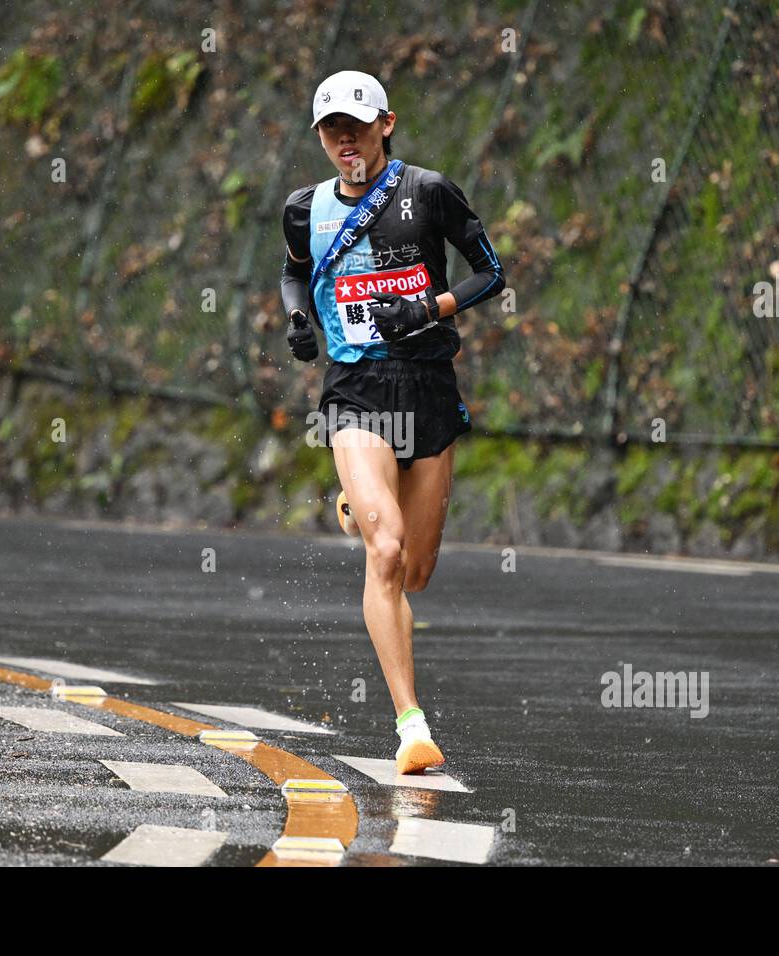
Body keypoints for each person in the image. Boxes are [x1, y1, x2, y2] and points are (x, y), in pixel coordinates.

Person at [279, 70, 504, 774]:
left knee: (416, 572)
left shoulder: (428, 192)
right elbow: (294, 270)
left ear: (386, 124)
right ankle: (412, 726)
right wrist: (296, 317)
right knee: (386, 551)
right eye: (330, 129)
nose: (344, 139)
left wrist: (431, 308)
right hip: (357, 391)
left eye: (356, 125)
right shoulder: (302, 208)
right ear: (319, 137)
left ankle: (354, 505)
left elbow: (490, 271)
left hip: (429, 390)